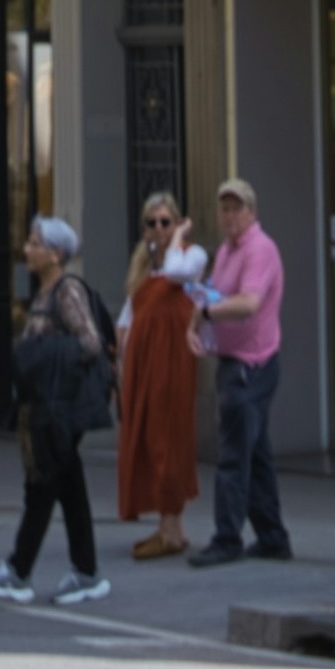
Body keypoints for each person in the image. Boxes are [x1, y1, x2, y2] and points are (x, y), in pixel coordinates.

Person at [0, 215, 116, 609]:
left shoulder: (66, 290)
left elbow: (90, 342)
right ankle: (85, 572)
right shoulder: (45, 292)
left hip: (60, 407)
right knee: (68, 488)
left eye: (36, 243)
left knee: (43, 487)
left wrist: (42, 356)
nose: (27, 249)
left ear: (56, 253)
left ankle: (19, 571)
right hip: (46, 405)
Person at [191, 175, 292, 567]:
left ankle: (227, 536)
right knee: (256, 451)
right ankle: (272, 536)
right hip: (234, 359)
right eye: (225, 208)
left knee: (234, 452)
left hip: (253, 363)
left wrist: (205, 313)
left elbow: (248, 303)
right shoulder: (228, 251)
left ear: (252, 212)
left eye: (237, 208)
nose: (230, 215)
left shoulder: (259, 250)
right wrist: (195, 323)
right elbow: (212, 294)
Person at [113, 192, 199, 562]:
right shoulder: (141, 270)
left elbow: (179, 274)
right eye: (153, 223)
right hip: (144, 365)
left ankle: (170, 526)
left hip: (174, 361)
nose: (159, 229)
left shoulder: (190, 257)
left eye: (166, 221)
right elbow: (126, 317)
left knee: (170, 437)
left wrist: (179, 237)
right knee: (151, 438)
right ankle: (172, 528)